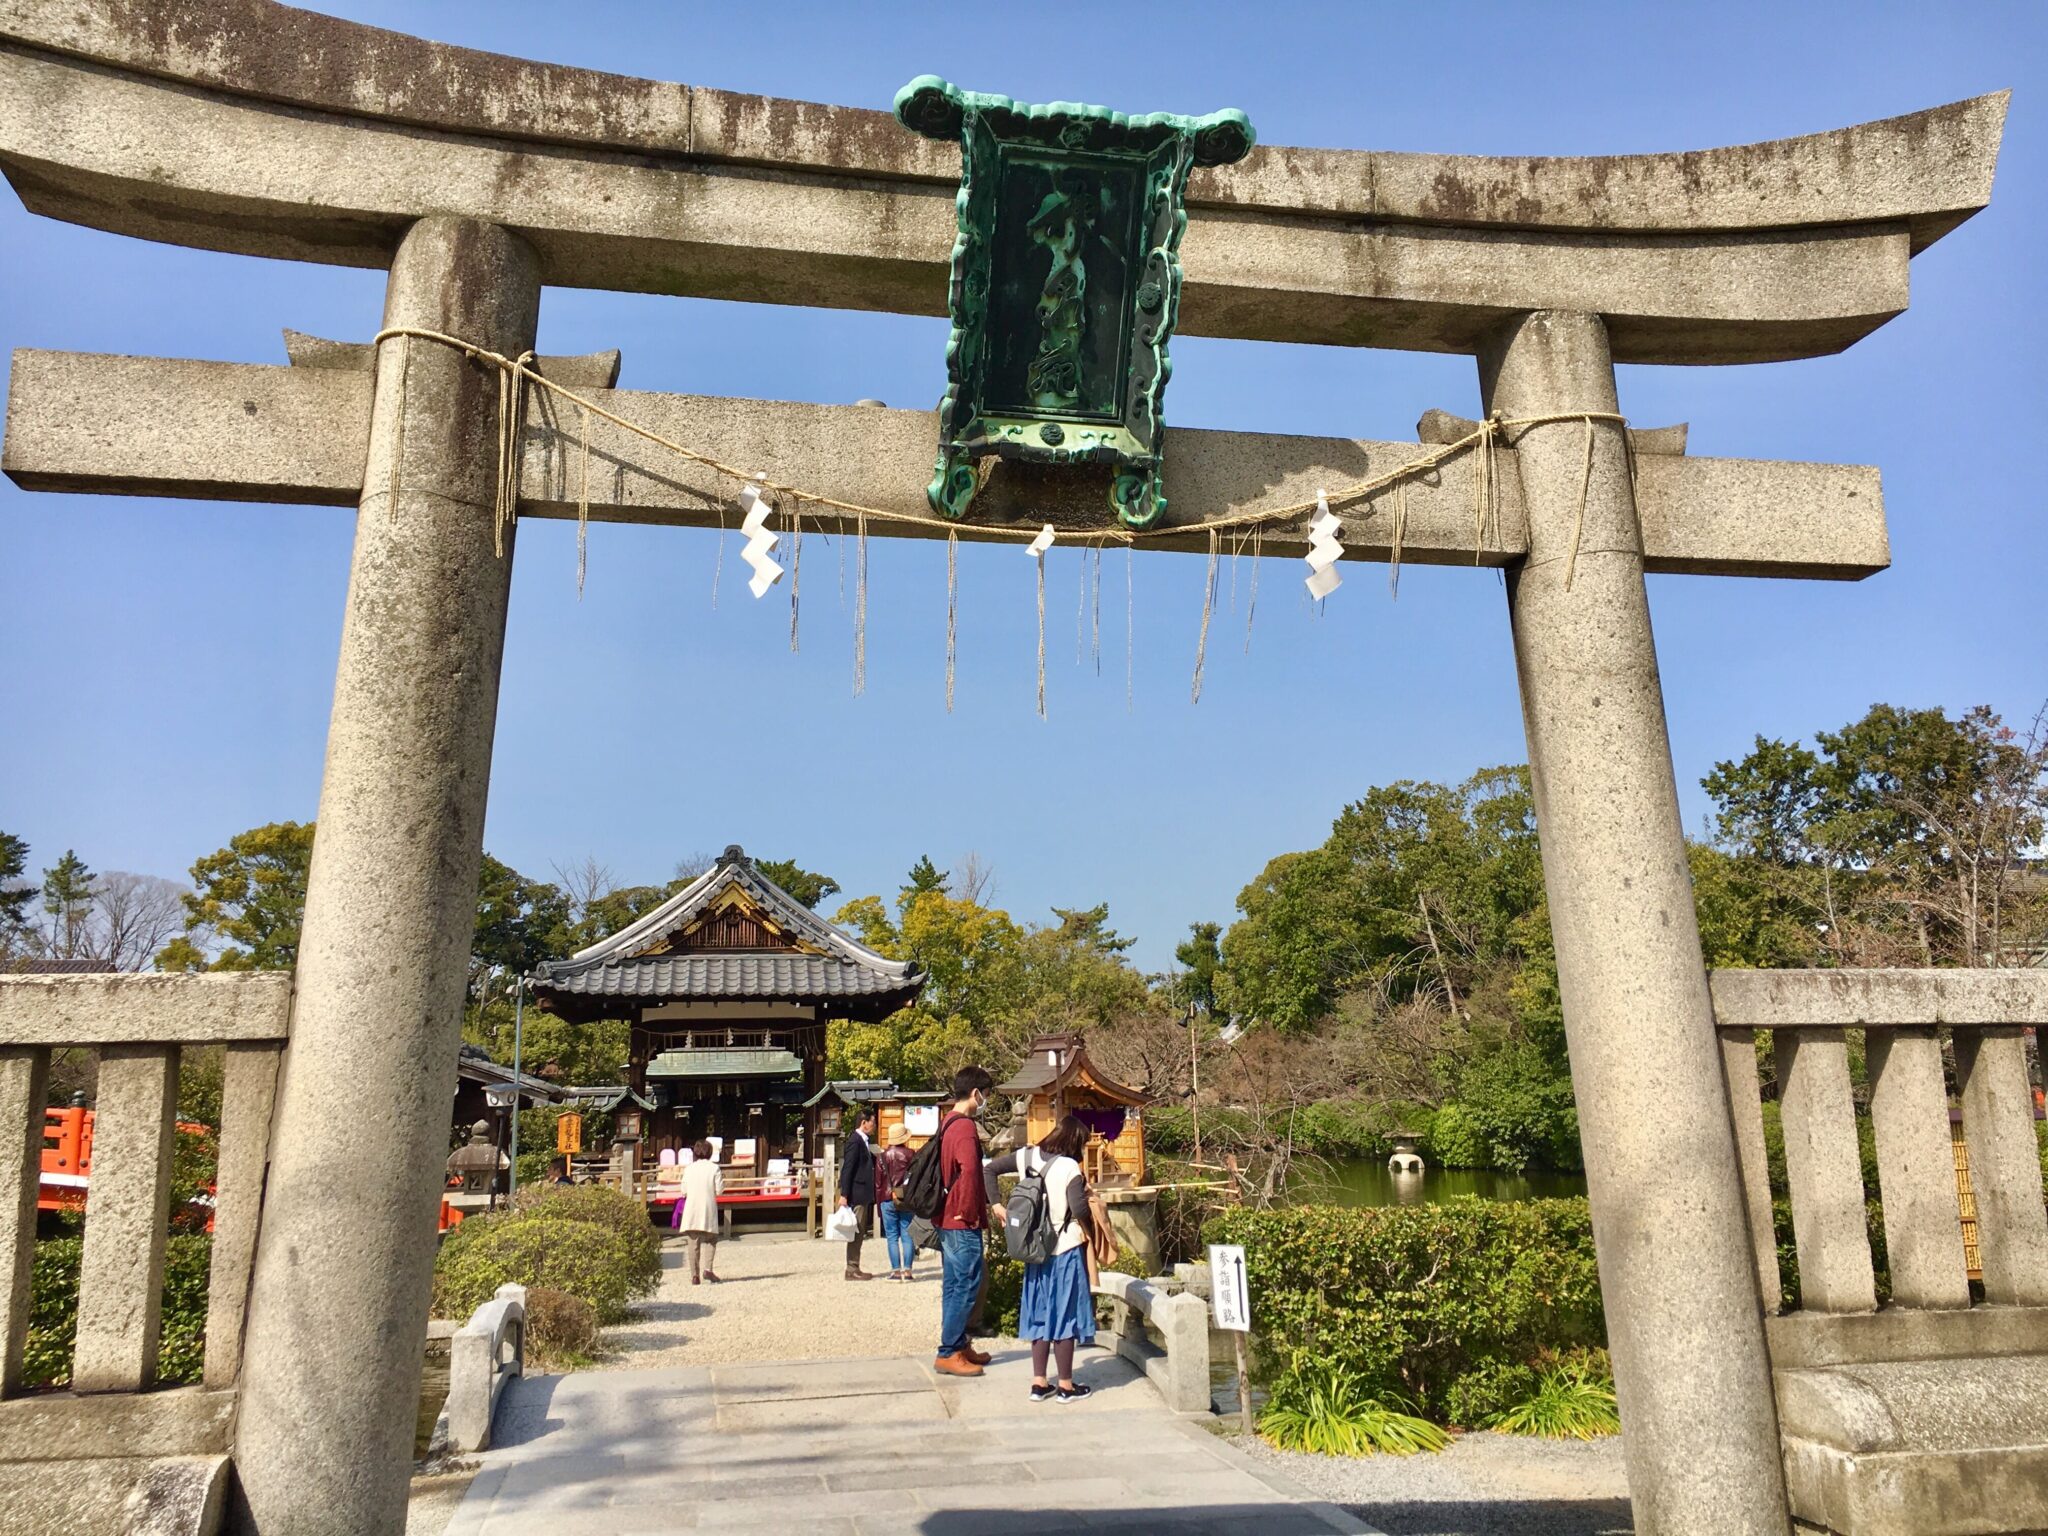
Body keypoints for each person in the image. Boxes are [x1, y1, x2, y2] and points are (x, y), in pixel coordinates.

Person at [984, 1113, 1097, 1402]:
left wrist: (997, 1205)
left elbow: (990, 1169)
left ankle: (1038, 1383)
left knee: (1039, 1313)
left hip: (1035, 1251)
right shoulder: (1069, 1166)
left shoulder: (1026, 1156)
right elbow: (1078, 1209)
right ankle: (1066, 1386)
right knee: (1065, 1315)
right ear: (1074, 1142)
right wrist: (1092, 1216)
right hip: (1064, 1248)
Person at [934, 1065, 994, 1378]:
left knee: (953, 1283)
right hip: (961, 1218)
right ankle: (948, 1351)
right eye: (985, 1095)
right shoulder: (966, 1127)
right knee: (967, 1283)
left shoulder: (946, 1123)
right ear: (975, 1094)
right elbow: (970, 1171)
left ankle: (958, 1344)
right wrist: (970, 1213)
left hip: (946, 1215)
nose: (985, 1101)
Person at [837, 1105, 878, 1281]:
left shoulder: (863, 1141)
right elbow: (848, 1168)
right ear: (864, 1123)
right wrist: (844, 1194)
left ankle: (855, 1266)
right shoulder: (855, 1141)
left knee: (860, 1231)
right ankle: (851, 1267)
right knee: (857, 1231)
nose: (874, 1125)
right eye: (872, 1122)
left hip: (862, 1191)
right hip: (857, 1192)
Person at [674, 1138, 723, 1285]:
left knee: (693, 1241)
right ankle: (708, 1269)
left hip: (692, 1207)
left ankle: (694, 1275)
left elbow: (683, 1190)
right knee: (711, 1239)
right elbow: (719, 1190)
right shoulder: (714, 1168)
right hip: (707, 1207)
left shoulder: (689, 1169)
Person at [877, 1123, 917, 1281]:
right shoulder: (911, 1154)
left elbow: (878, 1183)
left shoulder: (882, 1156)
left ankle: (895, 1271)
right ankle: (907, 1271)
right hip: (906, 1198)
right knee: (907, 1235)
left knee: (892, 1236)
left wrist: (879, 1206)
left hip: (887, 1198)